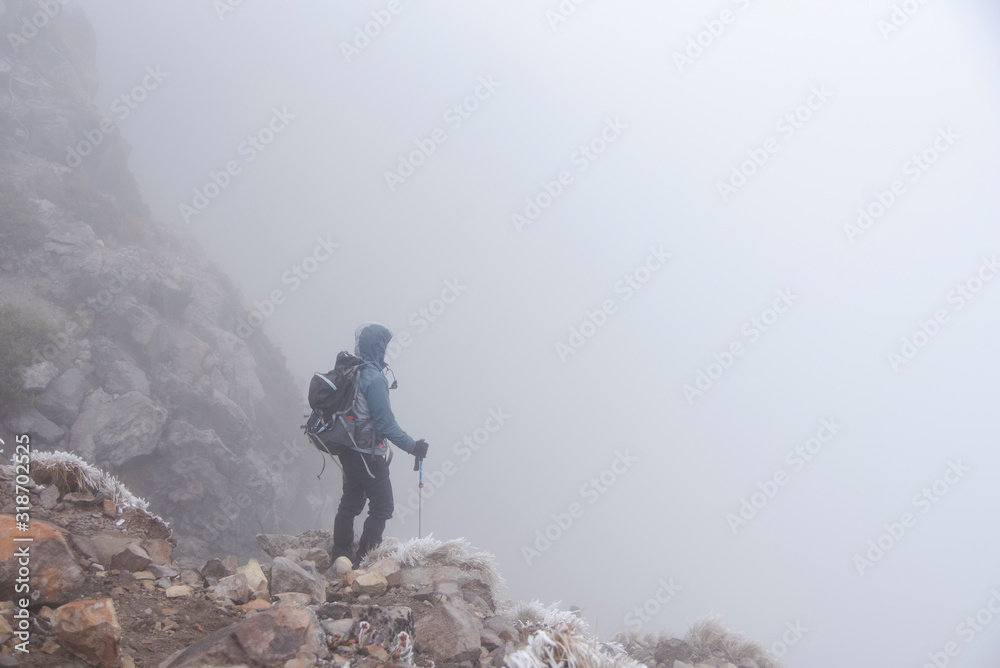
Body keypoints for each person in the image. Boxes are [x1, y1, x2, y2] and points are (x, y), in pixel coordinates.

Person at [332, 322, 428, 566]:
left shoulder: (353, 371)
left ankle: (340, 553)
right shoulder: (374, 379)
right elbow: (385, 424)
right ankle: (364, 560)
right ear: (378, 347)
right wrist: (413, 446)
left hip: (348, 448)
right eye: (383, 345)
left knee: (351, 500)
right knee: (382, 507)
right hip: (368, 454)